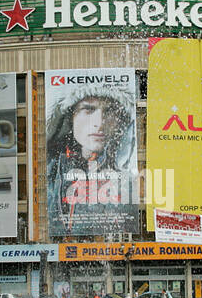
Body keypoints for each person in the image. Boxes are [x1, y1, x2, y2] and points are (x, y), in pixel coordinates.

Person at [45, 85, 136, 236]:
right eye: (88, 110)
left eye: (110, 111)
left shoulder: (129, 173)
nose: (99, 123)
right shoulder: (51, 169)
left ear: (121, 121)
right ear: (70, 117)